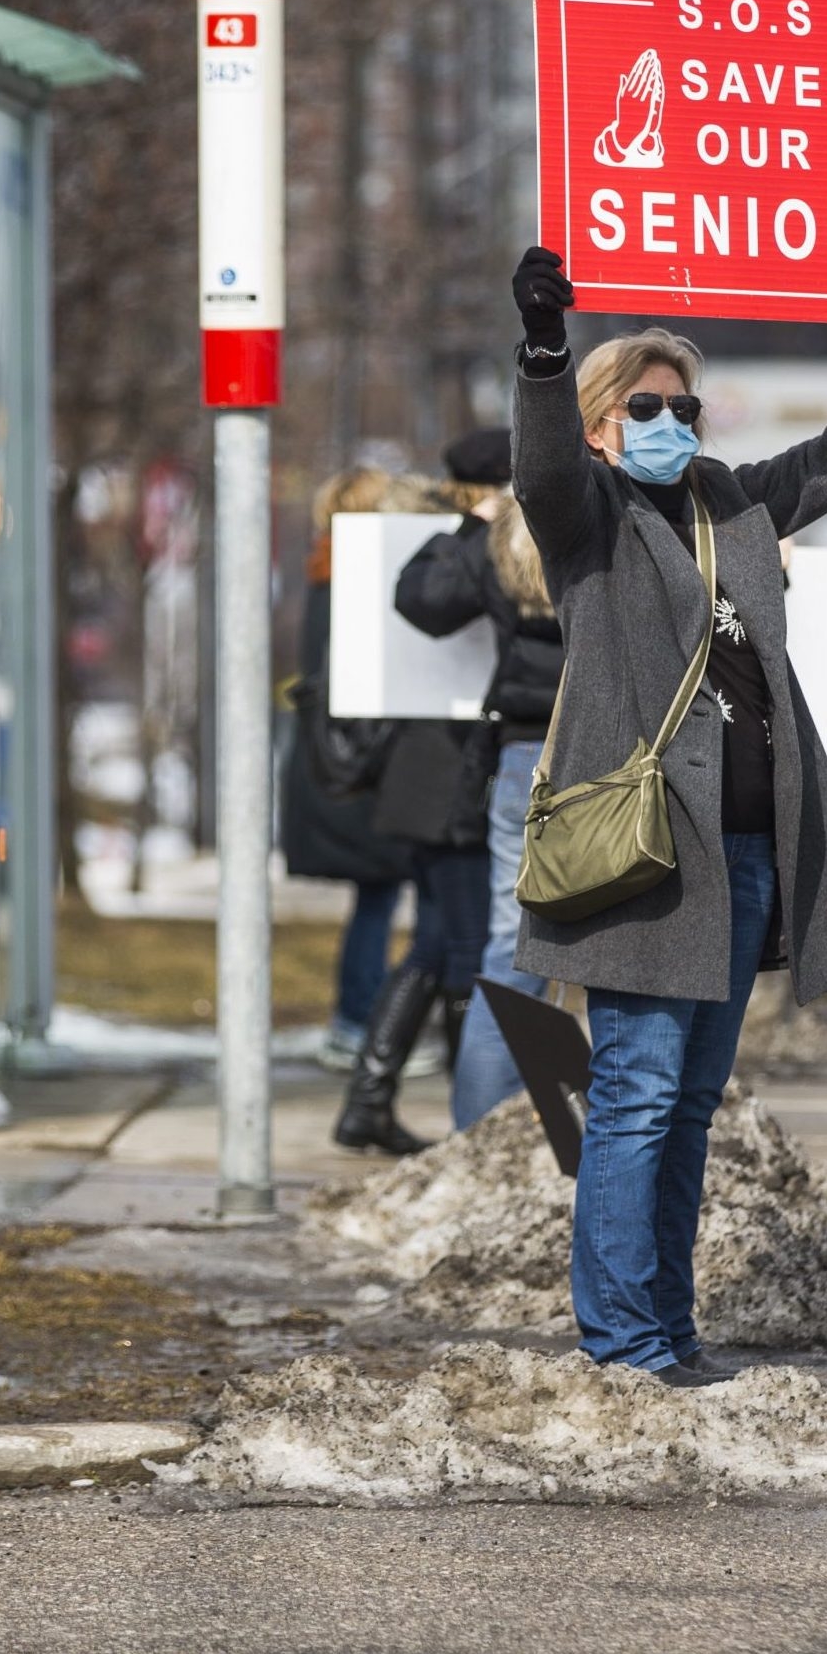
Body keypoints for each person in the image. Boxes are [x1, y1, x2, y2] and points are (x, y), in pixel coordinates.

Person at [508, 244, 827, 1384]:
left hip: (741, 856)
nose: (670, 418)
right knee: (632, 1098)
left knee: (685, 1110)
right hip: (642, 856)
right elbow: (535, 472)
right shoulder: (588, 517)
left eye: (684, 403)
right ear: (601, 424)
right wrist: (539, 349)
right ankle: (622, 1346)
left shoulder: (728, 503)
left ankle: (668, 1334)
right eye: (646, 404)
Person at [383, 427, 565, 1130]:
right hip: (626, 754)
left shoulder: (508, 538)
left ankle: (482, 1138)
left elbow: (423, 599)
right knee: (627, 968)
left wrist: (472, 523)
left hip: (523, 751)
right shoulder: (612, 520)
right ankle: (578, 1134)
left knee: (510, 950)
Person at [331, 461, 500, 1157]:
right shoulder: (457, 552)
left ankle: (368, 1101)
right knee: (462, 947)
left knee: (435, 943)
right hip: (448, 784)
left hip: (427, 783)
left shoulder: (423, 545)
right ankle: (474, 1123)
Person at [281, 469, 415, 1070]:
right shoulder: (360, 577)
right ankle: (360, 1024)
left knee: (376, 897)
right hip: (361, 767)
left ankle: (356, 1021)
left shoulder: (322, 570)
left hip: (331, 761)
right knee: (379, 895)